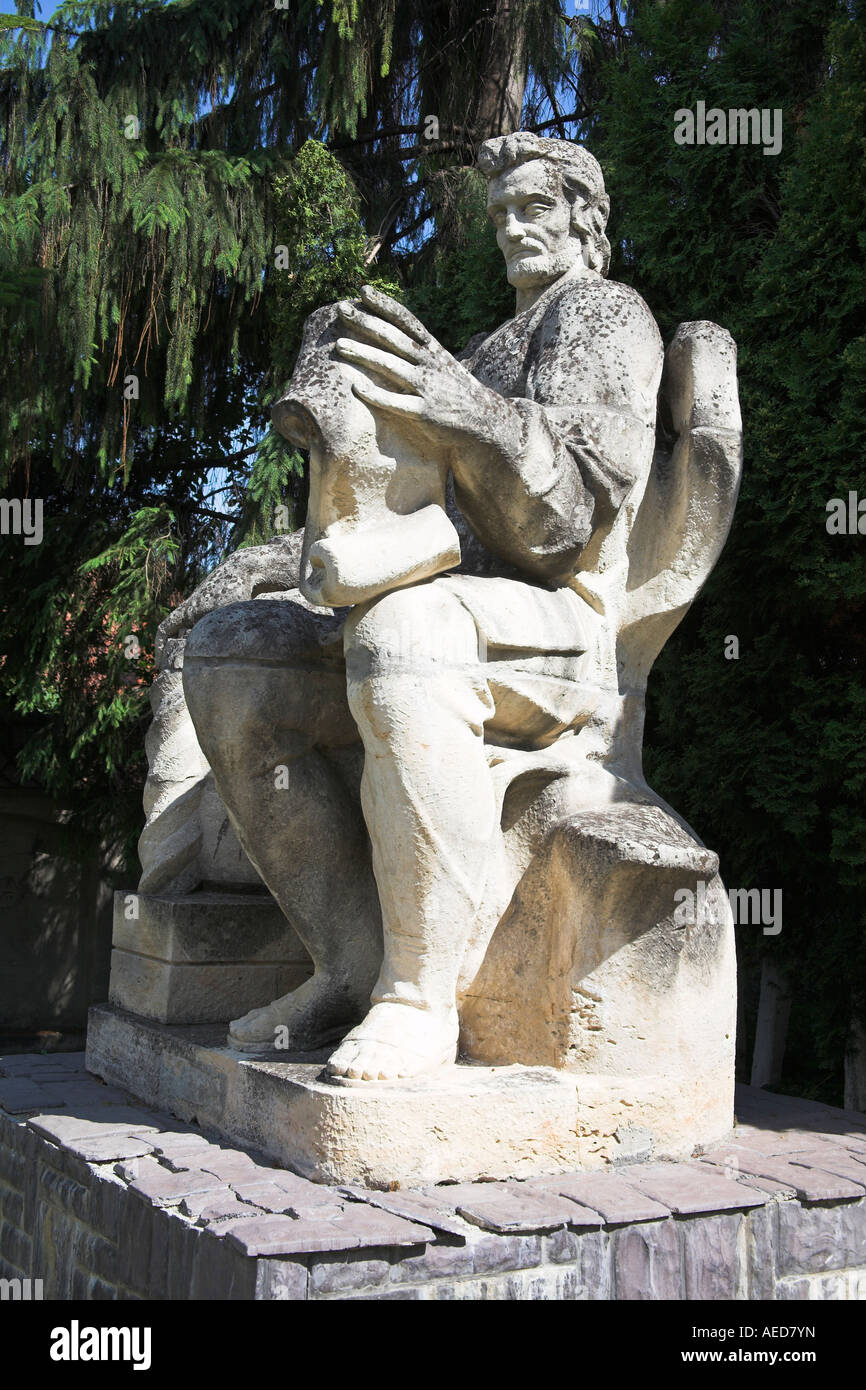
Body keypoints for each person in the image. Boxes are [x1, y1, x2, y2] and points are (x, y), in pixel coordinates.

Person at [177, 134, 665, 1080]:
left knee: (407, 633)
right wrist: (276, 562)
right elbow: (425, 517)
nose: (514, 228)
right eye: (501, 215)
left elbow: (566, 525)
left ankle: (419, 997)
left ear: (584, 217)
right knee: (233, 659)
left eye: (535, 208)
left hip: (558, 623)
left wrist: (465, 410)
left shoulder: (609, 318)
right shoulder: (485, 350)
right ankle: (354, 966)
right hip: (456, 600)